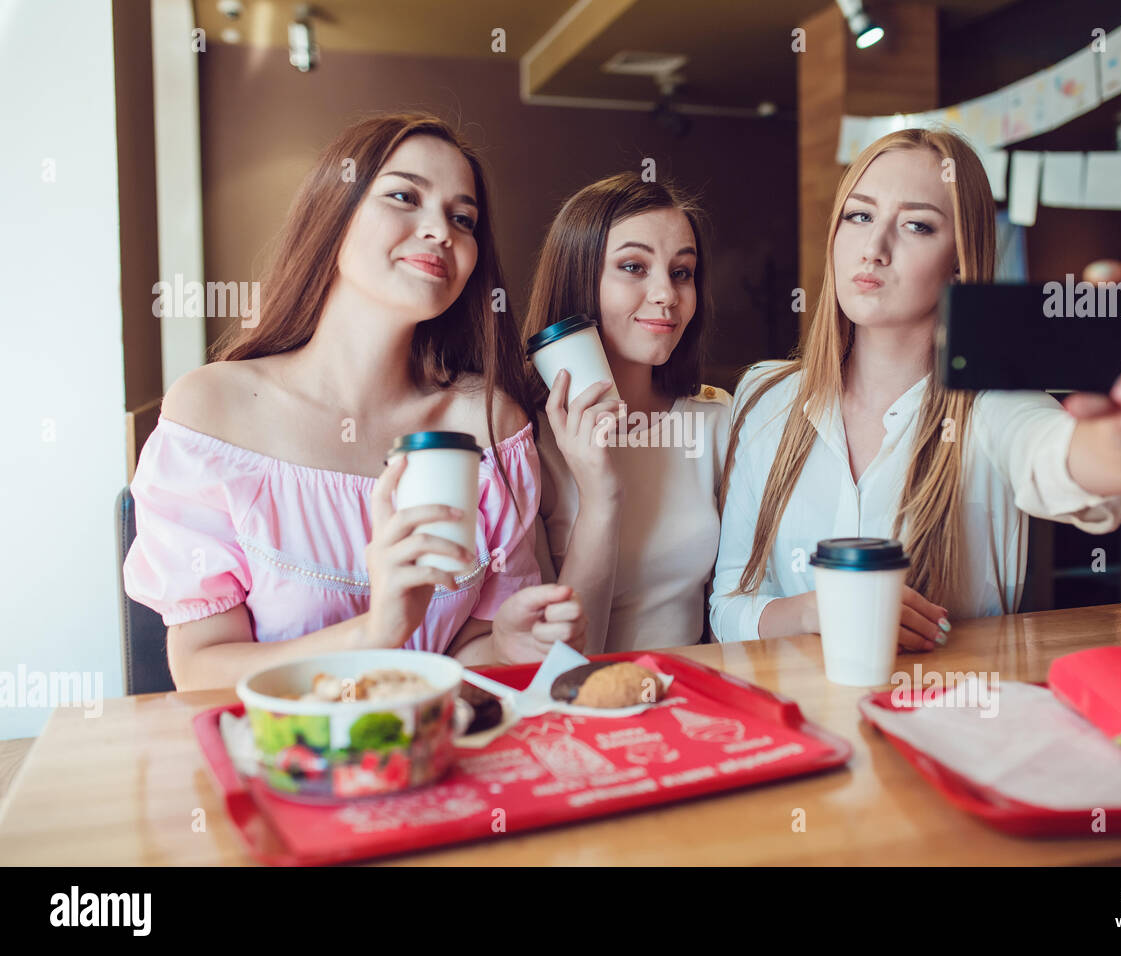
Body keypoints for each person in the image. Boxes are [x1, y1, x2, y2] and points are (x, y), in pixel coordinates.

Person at [710, 127, 1121, 650]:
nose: (874, 248)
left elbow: (1059, 456)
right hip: (792, 722)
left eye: (916, 225)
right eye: (859, 216)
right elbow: (728, 604)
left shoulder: (994, 405)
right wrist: (811, 613)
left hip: (952, 718)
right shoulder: (765, 396)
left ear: (959, 259)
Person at [123, 113, 586, 691]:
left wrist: (505, 645)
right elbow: (199, 671)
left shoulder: (489, 425)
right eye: (403, 196)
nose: (440, 230)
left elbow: (466, 652)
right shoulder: (213, 412)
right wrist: (375, 632)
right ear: (333, 216)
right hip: (280, 763)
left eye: (462, 218)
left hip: (435, 758)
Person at [521, 173, 731, 653]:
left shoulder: (717, 419)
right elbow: (562, 658)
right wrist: (600, 493)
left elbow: (730, 608)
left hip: (693, 694)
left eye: (682, 272)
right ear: (579, 279)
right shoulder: (526, 442)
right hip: (576, 702)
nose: (667, 294)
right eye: (634, 267)